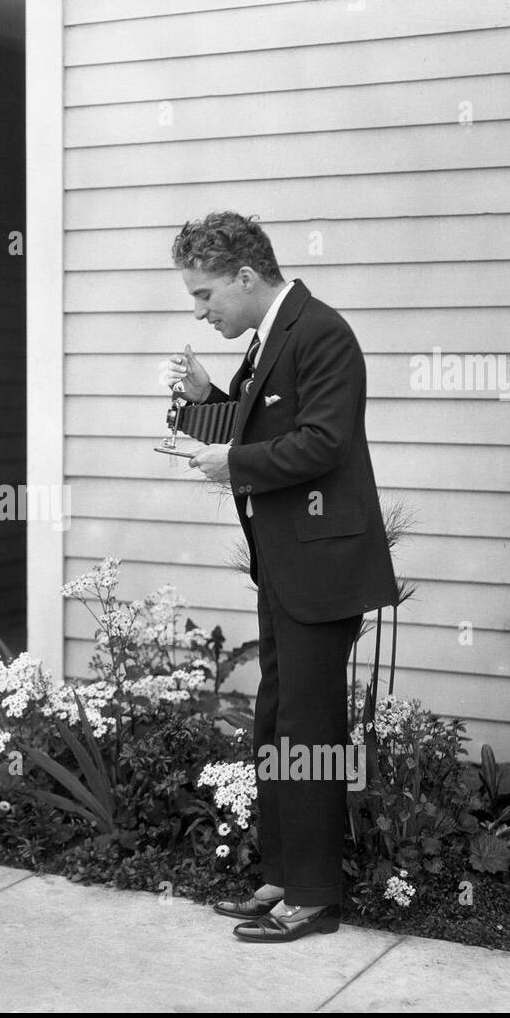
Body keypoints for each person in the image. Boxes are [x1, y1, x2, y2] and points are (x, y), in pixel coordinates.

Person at [163, 211, 398, 942]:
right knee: (277, 722)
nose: (201, 311)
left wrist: (231, 462)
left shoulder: (321, 331)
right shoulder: (275, 335)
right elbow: (261, 425)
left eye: (206, 296)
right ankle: (283, 875)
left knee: (310, 728)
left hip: (322, 570)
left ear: (245, 275)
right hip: (288, 568)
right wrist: (206, 401)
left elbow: (322, 443)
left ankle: (316, 896)